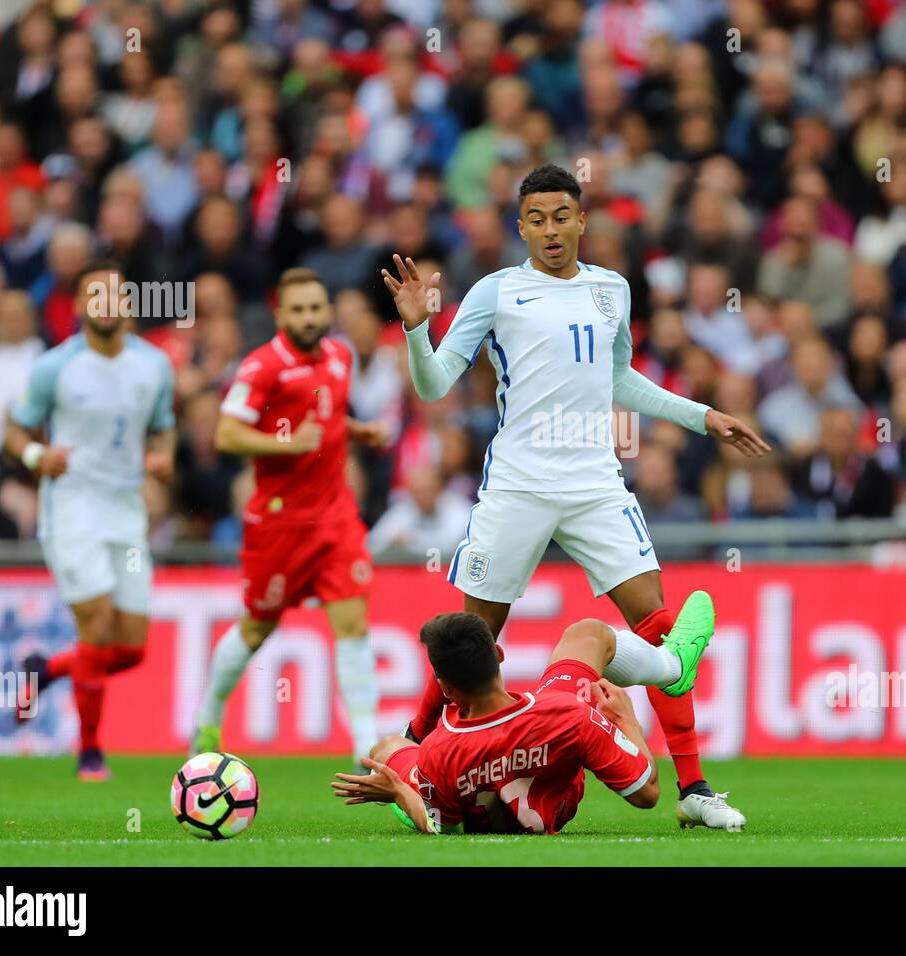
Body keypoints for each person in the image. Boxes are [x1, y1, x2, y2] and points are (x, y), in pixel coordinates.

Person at [384, 163, 769, 830]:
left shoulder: (612, 290)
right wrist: (419, 330)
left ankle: (695, 788)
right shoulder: (497, 292)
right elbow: (434, 385)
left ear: (582, 220)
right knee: (473, 637)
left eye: (562, 215)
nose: (551, 229)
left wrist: (701, 415)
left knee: (660, 625)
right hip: (519, 483)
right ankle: (415, 760)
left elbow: (622, 380)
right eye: (537, 219)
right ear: (522, 228)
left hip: (594, 481)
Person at [190, 268, 390, 763]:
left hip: (335, 516)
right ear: (280, 314)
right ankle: (209, 715)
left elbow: (323, 417)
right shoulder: (261, 367)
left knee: (352, 624)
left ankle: (365, 745)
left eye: (316, 308)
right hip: (279, 522)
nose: (308, 317)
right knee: (258, 627)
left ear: (327, 311)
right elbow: (227, 435)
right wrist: (281, 442)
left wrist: (356, 430)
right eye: (298, 309)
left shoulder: (341, 357)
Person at [330, 591, 720, 835]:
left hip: (459, 770)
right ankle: (671, 667)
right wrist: (628, 722)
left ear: (446, 690)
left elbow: (439, 827)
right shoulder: (570, 713)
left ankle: (406, 785)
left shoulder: (437, 751)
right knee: (588, 633)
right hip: (555, 774)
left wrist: (399, 791)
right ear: (499, 656)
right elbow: (647, 794)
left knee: (385, 748)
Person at [4, 261, 176, 780]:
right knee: (96, 627)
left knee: (129, 649)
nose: (106, 303)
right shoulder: (55, 367)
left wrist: (161, 459)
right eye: (94, 295)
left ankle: (46, 669)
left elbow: (163, 428)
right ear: (78, 306)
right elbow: (15, 429)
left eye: (116, 294)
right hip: (73, 505)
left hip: (126, 510)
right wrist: (37, 457)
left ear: (129, 304)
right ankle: (90, 752)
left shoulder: (154, 366)